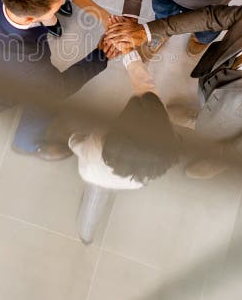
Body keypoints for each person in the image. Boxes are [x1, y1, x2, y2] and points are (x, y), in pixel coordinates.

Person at [105, 0, 242, 179]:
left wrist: (219, 161)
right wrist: (148, 31)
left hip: (223, 127)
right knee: (203, 105)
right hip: (209, 85)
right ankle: (197, 118)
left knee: (211, 141)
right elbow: (212, 17)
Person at [0, 0, 110, 160]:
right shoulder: (30, 59)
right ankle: (25, 144)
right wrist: (101, 53)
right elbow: (60, 86)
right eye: (55, 9)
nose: (63, 6)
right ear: (30, 19)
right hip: (2, 77)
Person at [66, 48, 180, 244]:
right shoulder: (159, 135)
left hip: (96, 175)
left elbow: (79, 146)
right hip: (132, 181)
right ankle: (87, 233)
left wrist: (72, 140)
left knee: (94, 199)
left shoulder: (98, 144)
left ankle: (86, 233)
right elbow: (147, 89)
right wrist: (129, 51)